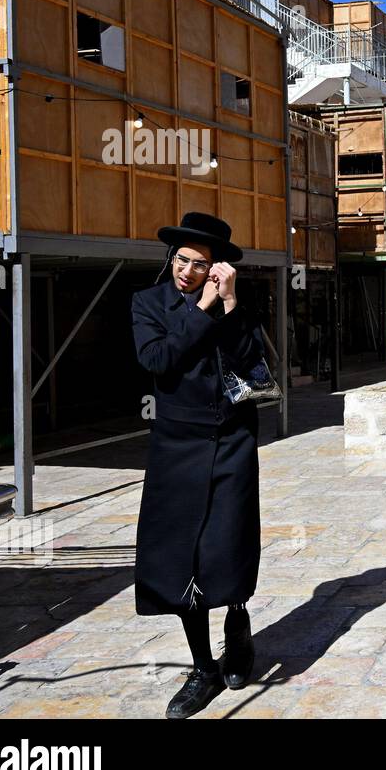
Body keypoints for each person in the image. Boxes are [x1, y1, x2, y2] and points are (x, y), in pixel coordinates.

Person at [131, 212, 265, 719]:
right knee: (182, 554)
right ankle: (203, 667)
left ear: (218, 267)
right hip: (177, 444)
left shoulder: (236, 303)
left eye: (200, 263)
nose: (187, 270)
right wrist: (205, 307)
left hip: (232, 439)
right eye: (181, 260)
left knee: (228, 541)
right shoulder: (146, 304)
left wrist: (228, 304)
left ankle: (238, 623)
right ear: (171, 260)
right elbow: (159, 361)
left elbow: (250, 358)